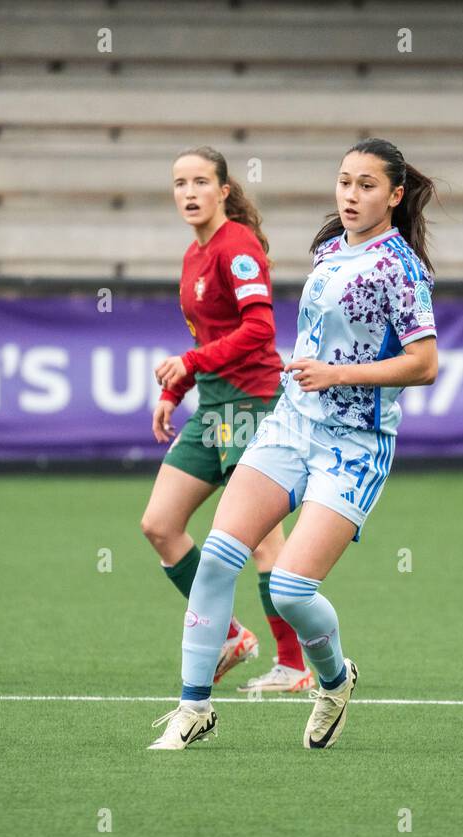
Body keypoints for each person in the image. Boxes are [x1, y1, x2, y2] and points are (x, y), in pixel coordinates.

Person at [149, 138, 439, 750]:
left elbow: (424, 364)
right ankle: (193, 707)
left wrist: (338, 374)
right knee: (222, 554)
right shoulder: (330, 251)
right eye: (344, 182)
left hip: (356, 443)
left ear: (395, 194)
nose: (351, 195)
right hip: (290, 424)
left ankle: (333, 679)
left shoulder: (402, 267)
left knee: (290, 588)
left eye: (366, 185)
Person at [143, 146, 313, 694]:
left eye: (200, 182)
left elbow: (260, 330)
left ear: (223, 190)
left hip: (252, 406)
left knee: (263, 543)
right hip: (212, 409)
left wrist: (188, 364)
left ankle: (294, 665)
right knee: (160, 526)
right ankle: (230, 637)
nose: (188, 192)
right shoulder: (194, 255)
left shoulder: (236, 246)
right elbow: (209, 337)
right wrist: (180, 387)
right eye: (179, 183)